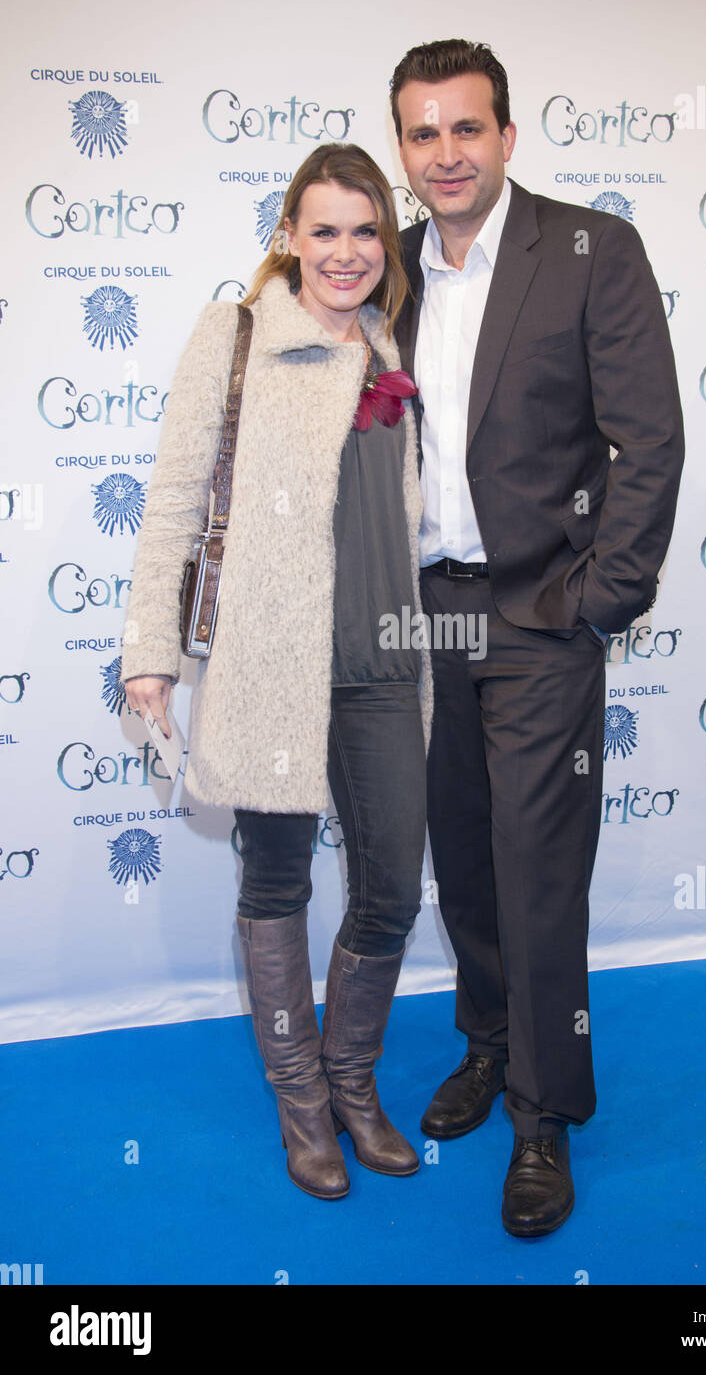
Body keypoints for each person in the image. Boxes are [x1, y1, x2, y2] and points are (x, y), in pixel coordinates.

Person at [389, 40, 685, 1236]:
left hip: (540, 614)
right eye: (421, 132)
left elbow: (645, 442)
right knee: (462, 852)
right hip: (425, 612)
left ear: (507, 137)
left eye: (466, 128)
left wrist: (596, 602)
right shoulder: (388, 268)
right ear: (401, 150)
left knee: (537, 868)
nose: (444, 153)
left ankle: (542, 1110)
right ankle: (487, 1042)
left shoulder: (586, 249)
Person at [121, 143, 432, 1201]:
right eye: (323, 229)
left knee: (391, 885)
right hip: (271, 663)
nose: (344, 253)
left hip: (388, 657)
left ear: (383, 242)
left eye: (363, 230)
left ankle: (353, 1079)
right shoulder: (239, 335)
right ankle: (301, 1101)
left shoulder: (393, 342)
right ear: (288, 237)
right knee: (276, 882)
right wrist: (150, 654)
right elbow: (171, 502)